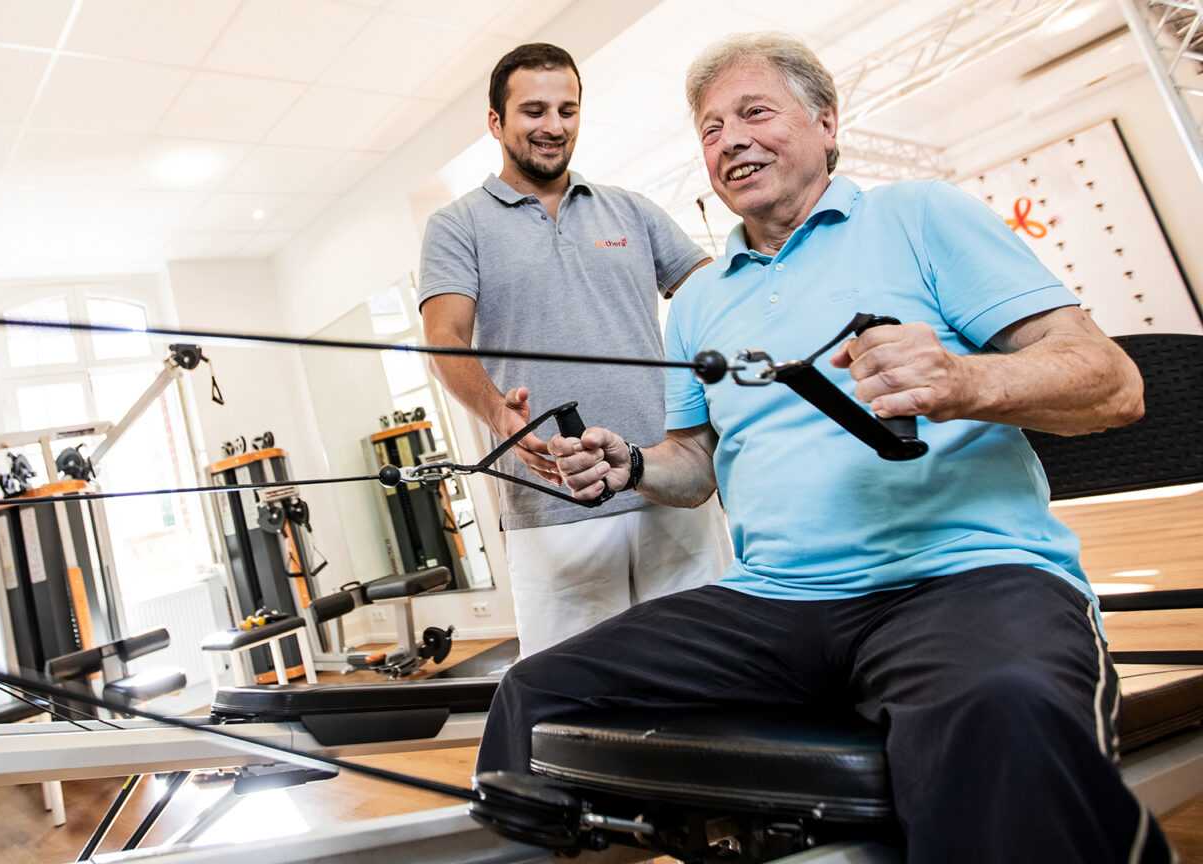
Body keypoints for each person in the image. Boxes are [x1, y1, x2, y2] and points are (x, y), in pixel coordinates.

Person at [478, 32, 1170, 863]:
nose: (729, 138)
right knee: (539, 693)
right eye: (709, 129)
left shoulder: (920, 214)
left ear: (828, 123)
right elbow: (693, 468)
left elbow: (1112, 382)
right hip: (775, 602)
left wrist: (964, 381)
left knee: (1003, 702)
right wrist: (628, 464)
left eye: (755, 112)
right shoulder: (697, 302)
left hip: (961, 580)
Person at [418, 43, 732, 656]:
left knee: (712, 677)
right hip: (555, 504)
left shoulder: (631, 210)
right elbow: (446, 340)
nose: (554, 126)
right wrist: (497, 413)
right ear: (495, 121)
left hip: (666, 484)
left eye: (568, 109)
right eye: (533, 110)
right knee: (581, 704)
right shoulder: (457, 226)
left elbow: (714, 299)